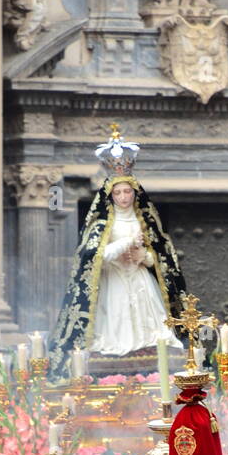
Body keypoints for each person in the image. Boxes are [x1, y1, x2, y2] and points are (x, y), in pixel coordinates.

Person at [47, 129, 185, 377]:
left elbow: (163, 261)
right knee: (115, 336)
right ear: (110, 196)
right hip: (114, 283)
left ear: (135, 193)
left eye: (127, 192)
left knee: (155, 337)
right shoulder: (101, 224)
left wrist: (144, 257)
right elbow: (94, 257)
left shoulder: (147, 222)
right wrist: (126, 244)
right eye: (118, 193)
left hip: (141, 283)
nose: (123, 197)